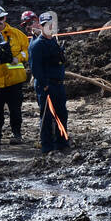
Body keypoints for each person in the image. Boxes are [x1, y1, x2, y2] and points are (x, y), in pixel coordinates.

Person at [0, 3, 30, 151]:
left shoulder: (18, 34)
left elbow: (27, 51)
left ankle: (17, 134)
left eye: (1, 18)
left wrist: (19, 57)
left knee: (15, 110)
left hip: (14, 80)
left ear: (5, 17)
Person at [29, 11, 69, 154]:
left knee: (62, 114)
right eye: (47, 25)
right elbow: (35, 68)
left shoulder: (53, 41)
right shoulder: (37, 45)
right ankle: (47, 146)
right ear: (42, 26)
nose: (50, 27)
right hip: (46, 85)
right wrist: (44, 84)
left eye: (52, 25)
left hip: (58, 83)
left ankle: (62, 142)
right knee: (47, 117)